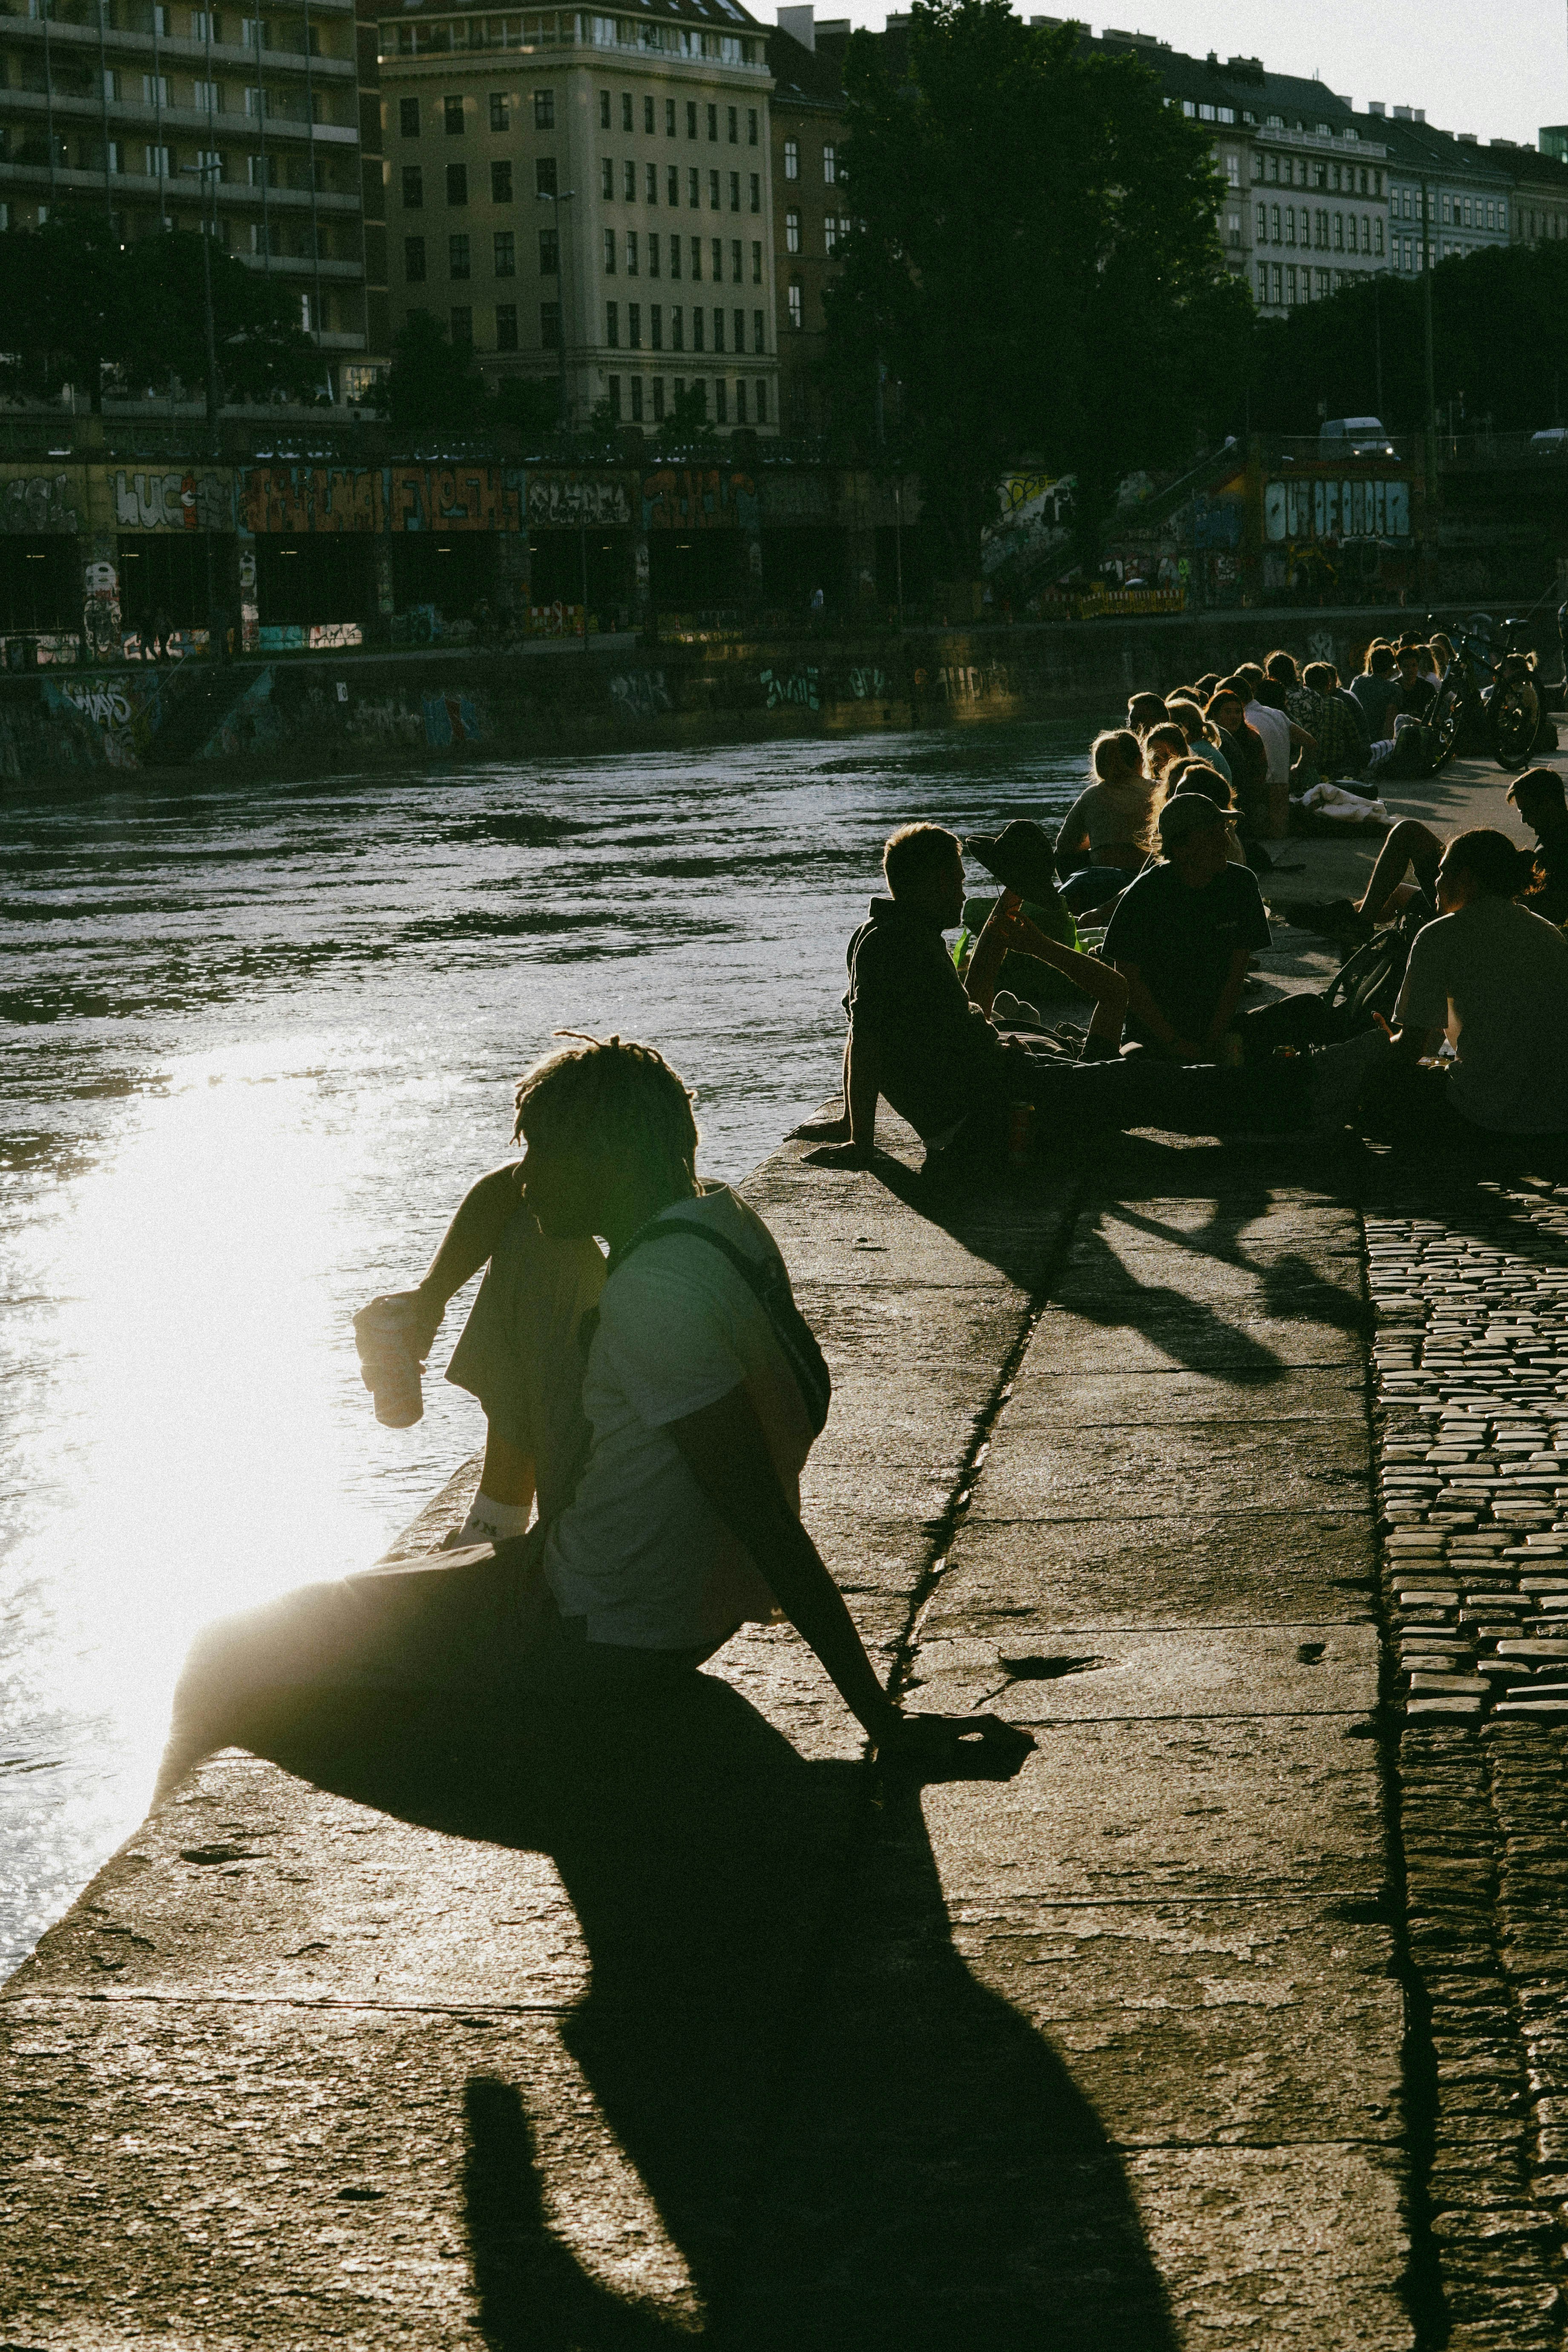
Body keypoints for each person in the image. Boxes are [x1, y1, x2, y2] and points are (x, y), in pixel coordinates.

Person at [159, 1034, 990, 1801]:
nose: (525, 1173)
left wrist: (882, 1722)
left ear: (607, 1157)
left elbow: (760, 1515)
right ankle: (490, 1505)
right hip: (656, 1592)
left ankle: (492, 1535)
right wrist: (431, 1297)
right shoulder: (721, 1224)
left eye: (543, 1150)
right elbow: (506, 1197)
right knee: (526, 1236)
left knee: (226, 1654)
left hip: (601, 1628)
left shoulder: (652, 1300)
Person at [797, 822, 1295, 1161]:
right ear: (923, 885)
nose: (962, 892)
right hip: (985, 1113)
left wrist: (848, 1121)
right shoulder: (893, 943)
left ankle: (1274, 1102)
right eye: (954, 882)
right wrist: (861, 1140)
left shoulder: (890, 932)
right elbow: (865, 1038)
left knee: (1136, 1083)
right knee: (1139, 1083)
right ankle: (1292, 1100)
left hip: (1000, 1085)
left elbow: (865, 1030)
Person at [1368, 829, 1568, 1142]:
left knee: (1376, 1082)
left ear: (1466, 878)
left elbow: (1411, 1050)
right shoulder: (1549, 935)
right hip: (1556, 1113)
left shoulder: (1438, 936)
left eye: (1442, 871)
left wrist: (1382, 1043)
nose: (1435, 882)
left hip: (1487, 1114)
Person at [1102, 794, 1273, 1061]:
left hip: (1220, 1026)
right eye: (1215, 835)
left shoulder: (1241, 885)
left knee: (1306, 1008)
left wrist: (1214, 1037)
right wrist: (1176, 1042)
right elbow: (1128, 983)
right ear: (1182, 847)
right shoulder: (1144, 895)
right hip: (1155, 1035)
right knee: (1137, 1063)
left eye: (1225, 832)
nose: (1226, 843)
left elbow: (1235, 974)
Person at [1053, 728, 1162, 913]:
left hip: (1101, 881)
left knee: (1062, 857)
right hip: (1147, 878)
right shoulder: (1158, 791)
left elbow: (1064, 846)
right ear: (1140, 760)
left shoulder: (1092, 795)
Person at [1350, 644, 1401, 743]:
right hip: (1378, 743)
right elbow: (1389, 723)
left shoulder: (1358, 681)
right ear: (1391, 666)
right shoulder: (1394, 689)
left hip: (1358, 740)